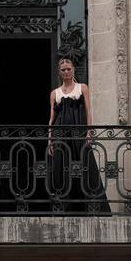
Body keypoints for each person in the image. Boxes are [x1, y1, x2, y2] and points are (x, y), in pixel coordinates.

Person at [48, 57, 107, 211]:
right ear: (59, 72)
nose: (66, 72)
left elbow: (88, 111)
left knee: (85, 166)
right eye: (63, 70)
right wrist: (50, 141)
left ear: (73, 69)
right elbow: (52, 118)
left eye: (68, 69)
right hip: (60, 134)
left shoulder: (82, 88)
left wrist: (89, 132)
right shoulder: (55, 93)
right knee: (61, 168)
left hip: (79, 133)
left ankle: (92, 207)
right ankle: (63, 207)